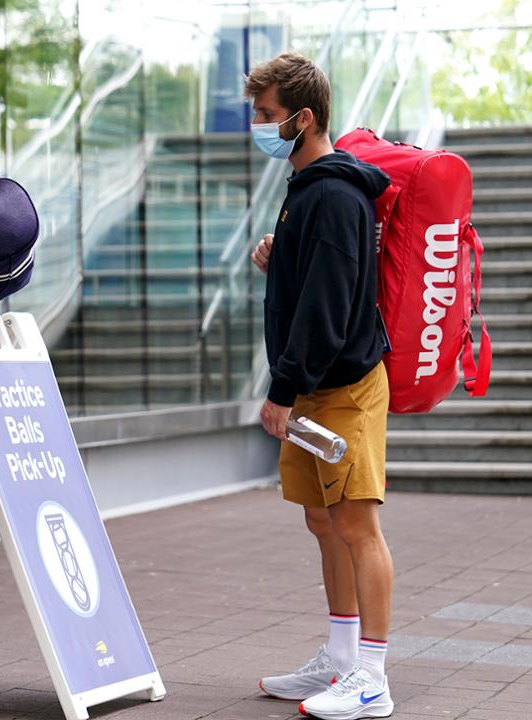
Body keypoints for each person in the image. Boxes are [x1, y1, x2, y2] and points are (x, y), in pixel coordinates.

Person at [245, 53, 395, 720]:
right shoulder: (308, 189)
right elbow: (318, 283)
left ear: (304, 118)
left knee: (357, 525)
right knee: (322, 520)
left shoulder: (333, 194)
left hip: (344, 387)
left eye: (267, 115)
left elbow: (327, 311)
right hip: (315, 388)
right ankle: (339, 659)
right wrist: (281, 259)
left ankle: (373, 675)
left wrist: (284, 388)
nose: (258, 125)